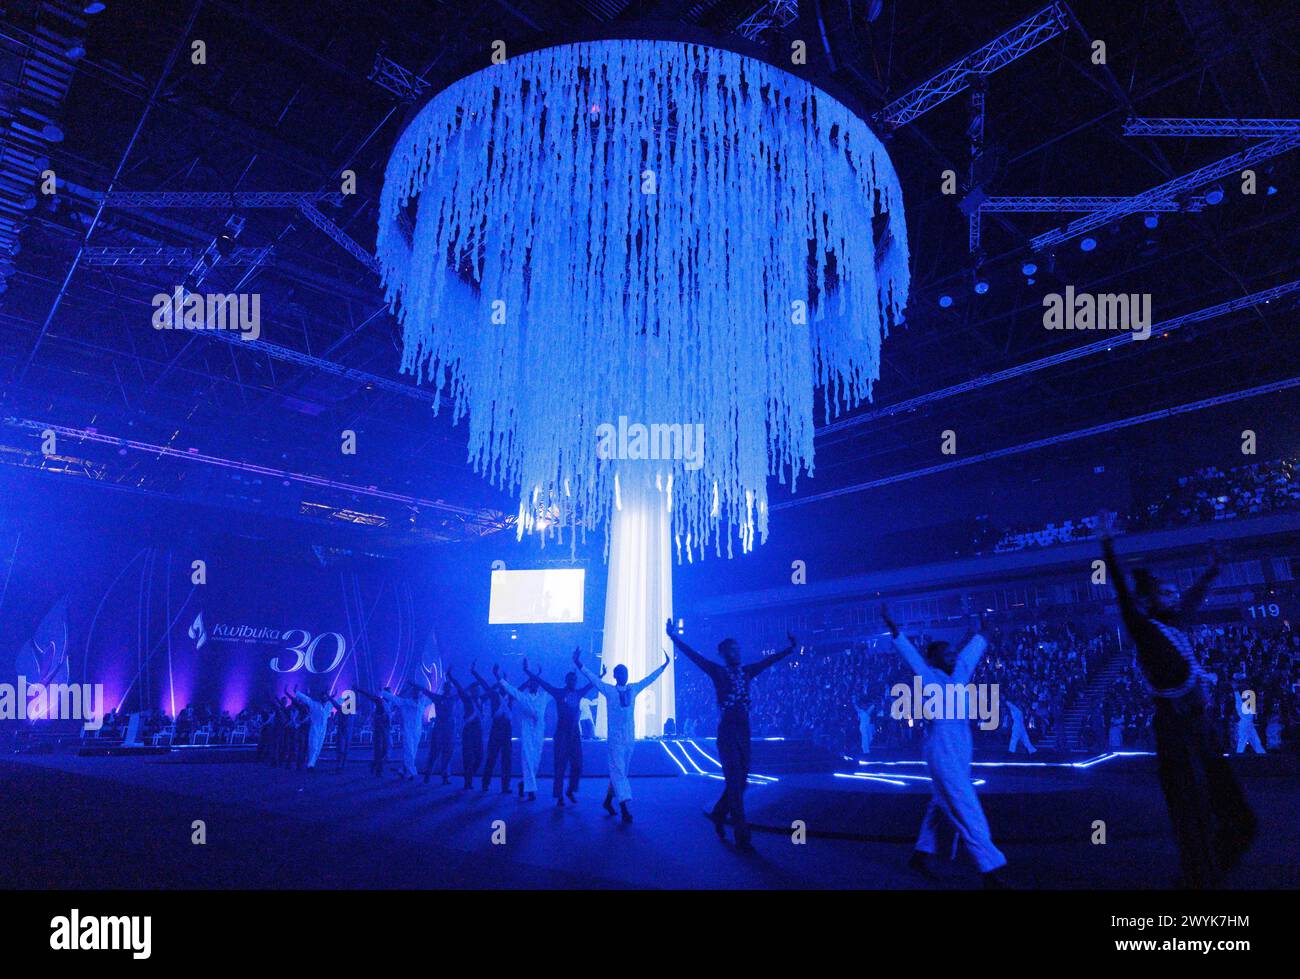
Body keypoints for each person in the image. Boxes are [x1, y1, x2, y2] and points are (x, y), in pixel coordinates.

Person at [1099, 530, 1256, 887]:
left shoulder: (1175, 623)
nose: (1173, 597)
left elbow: (1195, 597)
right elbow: (1125, 597)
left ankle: (1212, 865)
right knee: (1190, 809)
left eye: (1174, 593)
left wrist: (1214, 568)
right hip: (1174, 731)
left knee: (1234, 812)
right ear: (1151, 602)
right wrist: (1106, 546)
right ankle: (1199, 878)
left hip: (1199, 727)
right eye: (1165, 593)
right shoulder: (1146, 631)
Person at [881, 603, 1008, 887]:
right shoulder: (928, 677)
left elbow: (973, 650)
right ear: (935, 659)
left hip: (960, 747)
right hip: (942, 749)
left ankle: (920, 854)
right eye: (946, 654)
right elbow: (910, 654)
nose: (952, 657)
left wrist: (982, 627)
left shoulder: (959, 674)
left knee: (940, 805)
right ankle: (989, 870)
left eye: (953, 653)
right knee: (966, 806)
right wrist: (893, 627)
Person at [667, 620, 798, 851]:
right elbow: (694, 656)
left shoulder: (747, 672)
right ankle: (742, 835)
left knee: (741, 782)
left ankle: (719, 812)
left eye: (738, 649)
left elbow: (769, 661)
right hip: (727, 732)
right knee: (735, 784)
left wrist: (790, 649)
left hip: (743, 732)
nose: (737, 652)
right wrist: (672, 637)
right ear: (723, 653)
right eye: (732, 650)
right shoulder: (717, 672)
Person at [576, 646, 671, 823]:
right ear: (615, 676)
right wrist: (578, 663)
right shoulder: (608, 690)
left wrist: (664, 666)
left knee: (621, 772)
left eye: (625, 672)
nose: (624, 675)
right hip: (615, 740)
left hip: (629, 738)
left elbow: (650, 679)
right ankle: (624, 808)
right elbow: (593, 678)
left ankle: (607, 801)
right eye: (620, 673)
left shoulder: (633, 688)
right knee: (619, 772)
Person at [523, 654, 594, 807]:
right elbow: (543, 683)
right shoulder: (558, 692)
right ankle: (559, 795)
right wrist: (527, 671)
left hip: (575, 734)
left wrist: (601, 675)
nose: (573, 682)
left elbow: (592, 684)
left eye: (575, 680)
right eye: (570, 680)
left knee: (577, 765)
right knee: (560, 766)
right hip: (561, 734)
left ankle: (570, 790)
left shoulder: (579, 693)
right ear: (566, 681)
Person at [497, 665, 548, 801]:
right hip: (526, 731)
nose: (533, 684)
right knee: (527, 758)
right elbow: (510, 689)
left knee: (535, 760)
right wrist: (499, 677)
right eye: (531, 682)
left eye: (536, 682)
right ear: (528, 684)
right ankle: (531, 791)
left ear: (538, 684)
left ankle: (523, 784)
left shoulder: (544, 696)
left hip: (539, 732)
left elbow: (555, 691)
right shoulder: (522, 696)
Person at [472, 663, 513, 793]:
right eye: (503, 683)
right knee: (491, 758)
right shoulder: (495, 695)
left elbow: (522, 688)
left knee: (506, 760)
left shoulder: (511, 695)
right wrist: (475, 672)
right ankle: (485, 784)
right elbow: (483, 683)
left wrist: (532, 675)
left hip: (506, 730)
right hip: (496, 730)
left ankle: (505, 786)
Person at [382, 683, 430, 780]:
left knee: (413, 751)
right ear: (412, 693)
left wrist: (417, 685)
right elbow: (393, 698)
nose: (417, 693)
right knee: (409, 750)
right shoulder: (405, 702)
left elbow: (430, 694)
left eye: (418, 691)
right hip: (408, 730)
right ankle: (412, 772)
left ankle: (403, 770)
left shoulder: (423, 702)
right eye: (415, 691)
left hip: (417, 731)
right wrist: (382, 692)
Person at [446, 673, 483, 790]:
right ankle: (468, 781)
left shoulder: (481, 699)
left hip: (478, 731)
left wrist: (502, 680)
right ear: (472, 691)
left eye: (478, 689)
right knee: (468, 757)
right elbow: (459, 688)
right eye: (475, 690)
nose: (477, 691)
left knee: (479, 757)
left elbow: (491, 689)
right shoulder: (467, 699)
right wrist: (451, 677)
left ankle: (469, 775)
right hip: (468, 731)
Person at [421, 680, 458, 784]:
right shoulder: (438, 698)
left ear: (450, 689)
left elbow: (463, 691)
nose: (448, 689)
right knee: (434, 752)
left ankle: (445, 776)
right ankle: (428, 775)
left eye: (449, 687)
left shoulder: (453, 698)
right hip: (439, 729)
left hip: (449, 729)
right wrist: (414, 684)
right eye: (446, 687)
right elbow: (425, 691)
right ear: (444, 688)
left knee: (447, 752)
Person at [291, 685, 331, 771]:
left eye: (326, 697)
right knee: (313, 745)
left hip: (323, 729)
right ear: (321, 698)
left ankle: (312, 764)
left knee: (319, 747)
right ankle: (310, 765)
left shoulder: (329, 705)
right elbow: (306, 699)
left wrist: (348, 694)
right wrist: (296, 692)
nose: (325, 698)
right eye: (323, 696)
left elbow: (339, 701)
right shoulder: (314, 704)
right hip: (314, 728)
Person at [356, 688, 391, 776]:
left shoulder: (389, 703)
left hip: (386, 729)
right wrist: (359, 690)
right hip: (378, 729)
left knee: (385, 749)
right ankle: (379, 770)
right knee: (378, 749)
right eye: (388, 693)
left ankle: (374, 764)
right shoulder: (379, 701)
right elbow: (369, 695)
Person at [1233, 686, 1265, 754]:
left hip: (1250, 725)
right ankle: (1238, 757)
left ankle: (1262, 755)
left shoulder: (1251, 706)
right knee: (1242, 742)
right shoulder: (1240, 705)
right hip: (1244, 725)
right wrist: (1235, 690)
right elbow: (1237, 698)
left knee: (1256, 741)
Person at [331, 692, 352, 772]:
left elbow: (334, 703)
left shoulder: (343, 709)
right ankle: (341, 765)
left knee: (341, 748)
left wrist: (329, 696)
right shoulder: (348, 710)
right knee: (343, 749)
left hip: (343, 731)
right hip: (346, 731)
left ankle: (340, 765)